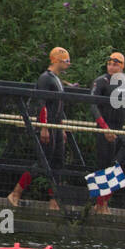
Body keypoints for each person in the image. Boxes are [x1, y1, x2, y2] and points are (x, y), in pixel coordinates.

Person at [9, 46, 79, 210]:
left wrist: (61, 128)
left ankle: (54, 201)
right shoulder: (45, 79)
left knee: (58, 164)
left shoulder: (57, 79)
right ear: (57, 61)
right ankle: (16, 192)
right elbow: (42, 105)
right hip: (47, 126)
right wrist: (44, 127)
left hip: (55, 126)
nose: (68, 64)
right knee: (42, 162)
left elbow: (59, 107)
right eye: (66, 61)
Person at [89, 51, 125, 214]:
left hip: (119, 129)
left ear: (121, 66)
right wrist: (104, 128)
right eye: (109, 63)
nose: (111, 66)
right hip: (105, 128)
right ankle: (100, 205)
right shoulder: (101, 81)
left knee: (123, 167)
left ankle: (103, 202)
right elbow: (93, 105)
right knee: (104, 166)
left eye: (115, 64)